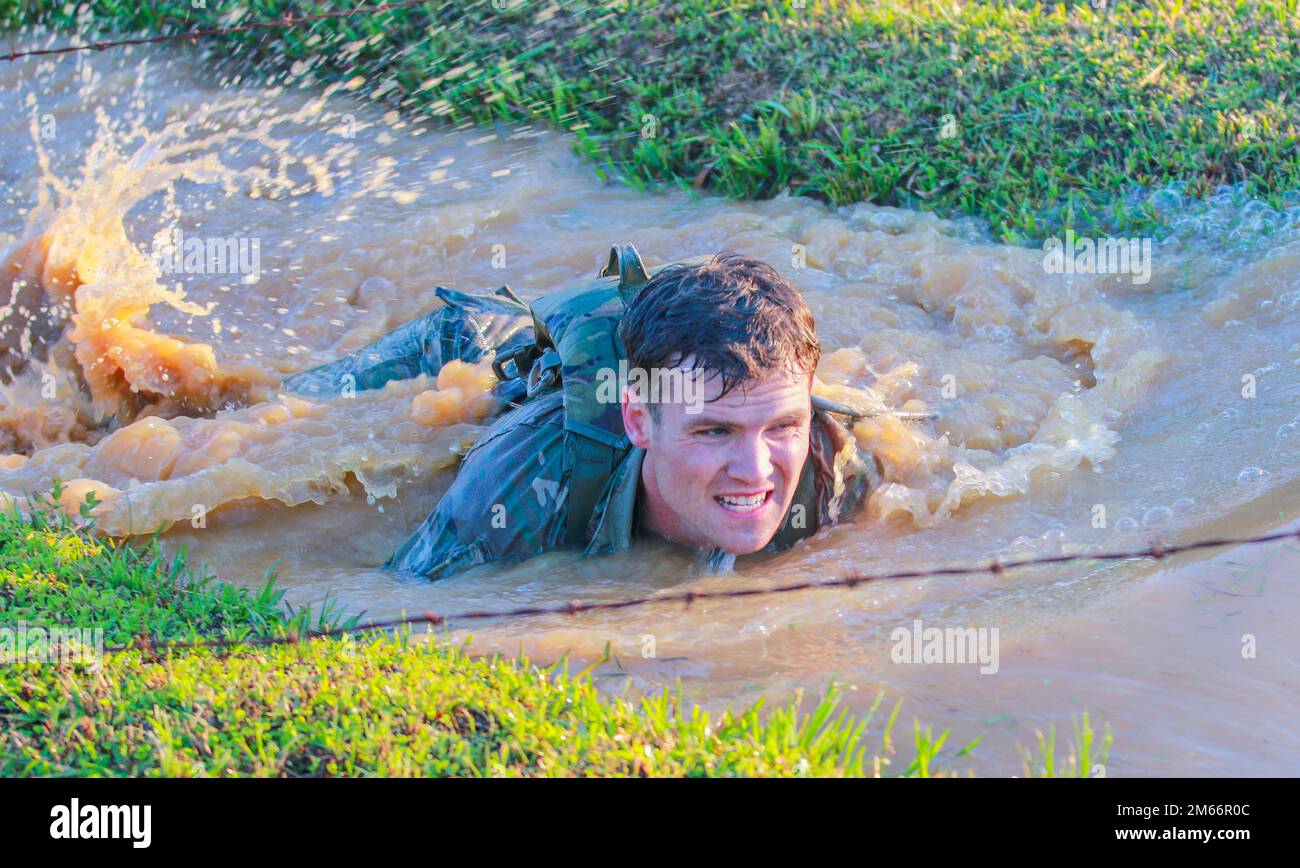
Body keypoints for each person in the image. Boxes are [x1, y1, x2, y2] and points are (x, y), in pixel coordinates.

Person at [284, 244, 882, 580]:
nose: (756, 471)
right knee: (278, 410)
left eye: (781, 426)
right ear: (639, 420)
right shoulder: (516, 488)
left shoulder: (834, 469)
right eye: (714, 430)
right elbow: (396, 598)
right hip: (470, 347)